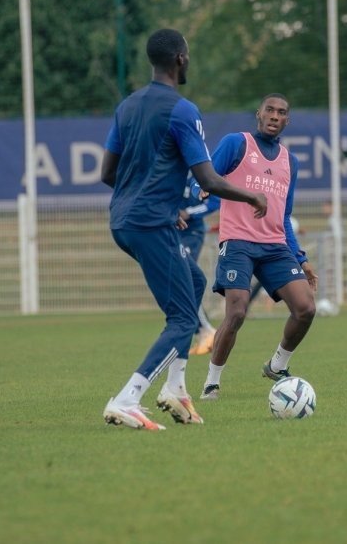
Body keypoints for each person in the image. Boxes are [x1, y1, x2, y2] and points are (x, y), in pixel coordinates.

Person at [99, 28, 267, 431]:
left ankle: (176, 389)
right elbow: (208, 180)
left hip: (123, 220)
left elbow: (107, 173)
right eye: (187, 55)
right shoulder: (182, 110)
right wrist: (251, 196)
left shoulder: (127, 105)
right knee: (181, 319)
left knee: (193, 283)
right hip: (148, 222)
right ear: (180, 59)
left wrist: (160, 201)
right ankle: (127, 398)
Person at [198, 93, 318, 400]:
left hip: (275, 246)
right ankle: (211, 382)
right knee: (237, 312)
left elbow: (284, 216)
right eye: (270, 110)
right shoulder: (236, 143)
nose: (275, 115)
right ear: (259, 113)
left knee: (306, 308)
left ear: (287, 120)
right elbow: (206, 179)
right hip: (237, 241)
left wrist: (301, 258)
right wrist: (193, 200)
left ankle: (277, 365)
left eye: (281, 112)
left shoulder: (290, 161)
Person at [178, 187, 220, 354]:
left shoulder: (197, 173)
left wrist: (189, 212)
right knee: (177, 284)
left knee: (186, 278)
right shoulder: (166, 172)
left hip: (191, 232)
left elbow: (215, 201)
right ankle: (202, 333)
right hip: (171, 231)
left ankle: (206, 330)